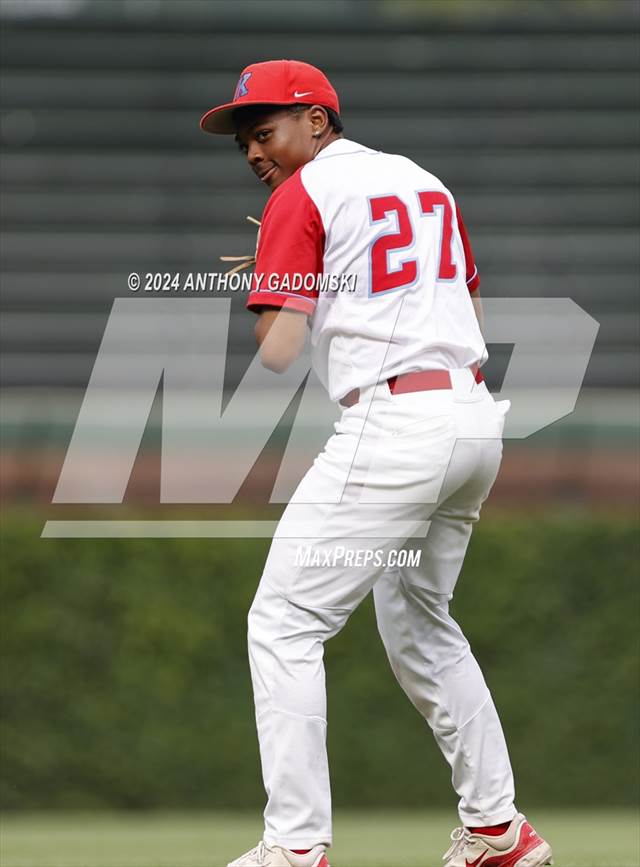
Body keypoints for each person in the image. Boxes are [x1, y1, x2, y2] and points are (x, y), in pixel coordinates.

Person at [200, 59, 553, 867]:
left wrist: (287, 283)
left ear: (318, 121)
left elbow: (281, 353)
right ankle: (499, 831)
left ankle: (293, 847)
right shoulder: (423, 181)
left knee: (284, 623)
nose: (254, 151)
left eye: (267, 129)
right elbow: (465, 303)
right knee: (420, 626)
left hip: (395, 424)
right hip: (469, 416)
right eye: (245, 140)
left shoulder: (302, 194)